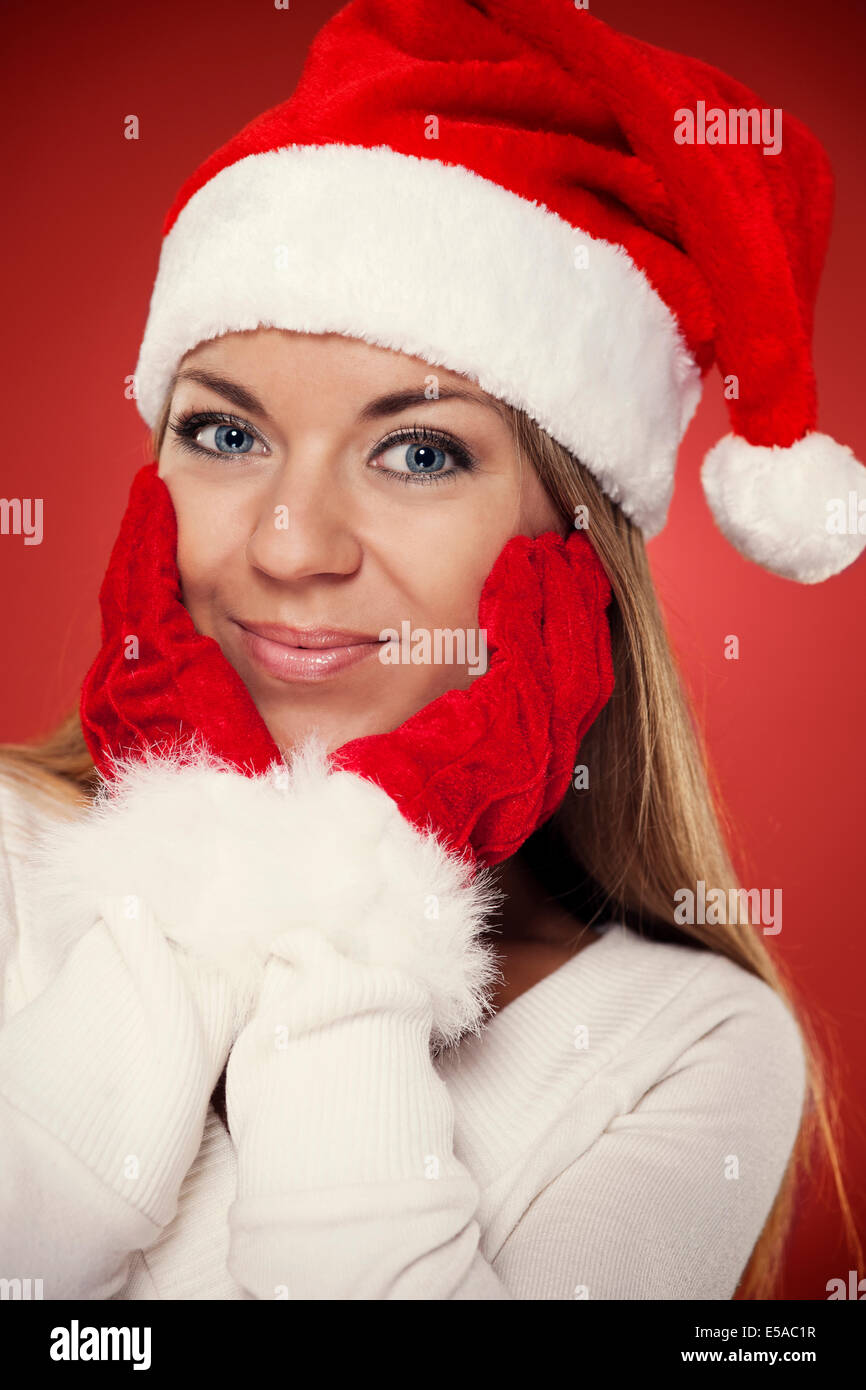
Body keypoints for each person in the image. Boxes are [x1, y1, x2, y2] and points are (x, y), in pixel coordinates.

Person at [0, 0, 863, 1301]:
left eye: (418, 451)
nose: (288, 547)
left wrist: (361, 874)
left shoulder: (692, 1045)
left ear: (572, 563)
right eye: (225, 435)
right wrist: (200, 837)